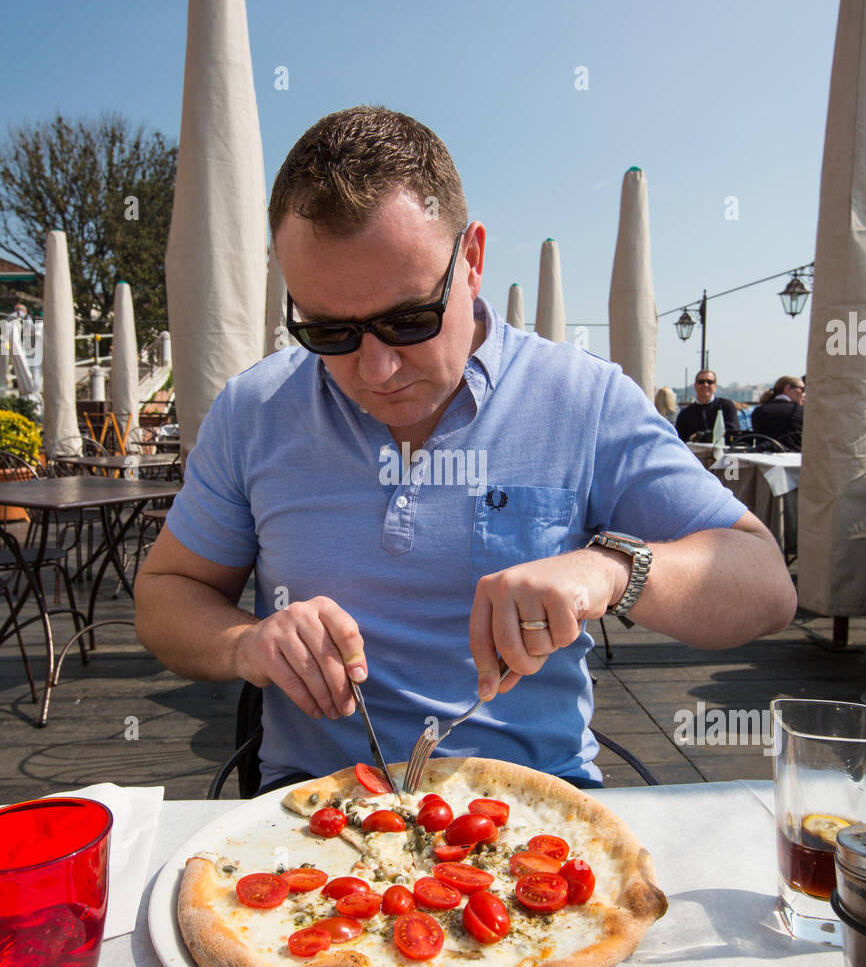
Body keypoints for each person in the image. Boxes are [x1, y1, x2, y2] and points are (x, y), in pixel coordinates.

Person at [134, 106, 796, 791]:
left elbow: (764, 586)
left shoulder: (580, 397)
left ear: (472, 260)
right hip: (312, 817)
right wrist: (247, 645)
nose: (377, 370)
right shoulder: (255, 410)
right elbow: (165, 596)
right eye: (329, 332)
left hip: (534, 814)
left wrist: (608, 571)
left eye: (410, 319)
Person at [674, 371, 740, 442]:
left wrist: (703, 436)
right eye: (701, 382)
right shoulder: (685, 414)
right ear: (695, 385)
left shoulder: (726, 406)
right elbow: (679, 438)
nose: (705, 385)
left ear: (715, 386)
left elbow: (732, 431)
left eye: (709, 382)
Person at [750, 376, 805, 451]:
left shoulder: (759, 411)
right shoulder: (801, 412)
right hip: (795, 459)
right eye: (802, 389)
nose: (804, 393)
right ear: (787, 389)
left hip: (763, 458)